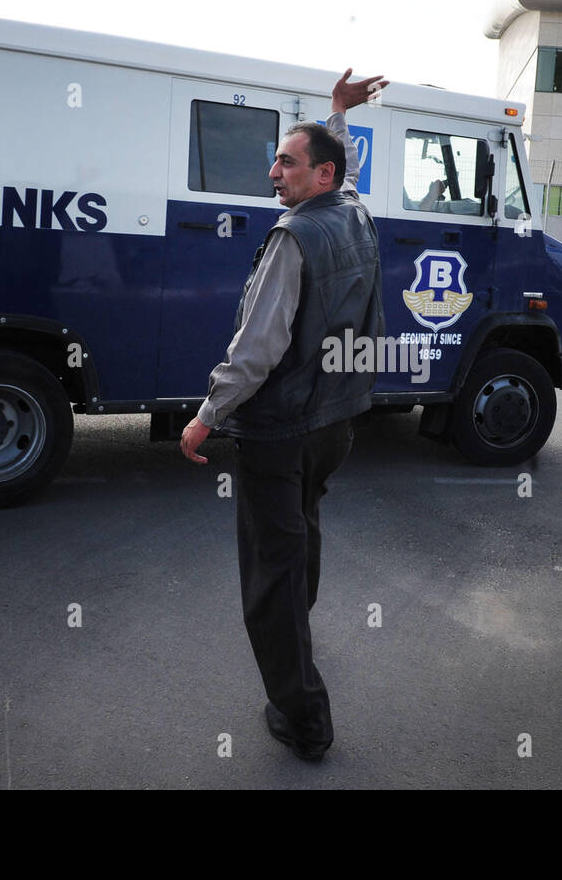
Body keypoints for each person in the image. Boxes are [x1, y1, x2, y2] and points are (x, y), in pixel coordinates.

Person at [179, 68, 387, 760]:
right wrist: (337, 112)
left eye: (287, 162)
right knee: (300, 539)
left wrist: (207, 416)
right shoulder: (353, 215)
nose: (273, 172)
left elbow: (257, 348)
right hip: (334, 422)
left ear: (319, 175)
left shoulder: (293, 239)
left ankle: (304, 720)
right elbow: (345, 165)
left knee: (271, 576)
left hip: (282, 428)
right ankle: (299, 634)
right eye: (276, 160)